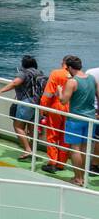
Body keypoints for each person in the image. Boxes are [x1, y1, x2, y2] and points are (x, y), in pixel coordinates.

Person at [0, 56, 46, 160]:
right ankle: (33, 150)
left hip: (26, 103)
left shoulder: (24, 73)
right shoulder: (40, 73)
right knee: (32, 127)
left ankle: (27, 150)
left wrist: (0, 91)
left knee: (18, 126)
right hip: (37, 103)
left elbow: (15, 83)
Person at [59, 56, 96, 186]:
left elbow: (64, 100)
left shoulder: (72, 82)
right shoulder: (92, 79)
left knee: (75, 149)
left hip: (75, 119)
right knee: (85, 149)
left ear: (69, 68)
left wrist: (59, 92)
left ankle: (78, 178)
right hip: (91, 119)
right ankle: (83, 177)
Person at [39, 59, 75, 173]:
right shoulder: (74, 76)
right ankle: (61, 164)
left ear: (63, 63)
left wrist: (43, 108)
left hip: (56, 107)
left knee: (52, 135)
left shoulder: (56, 73)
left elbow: (48, 94)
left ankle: (52, 163)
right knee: (64, 138)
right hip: (70, 109)